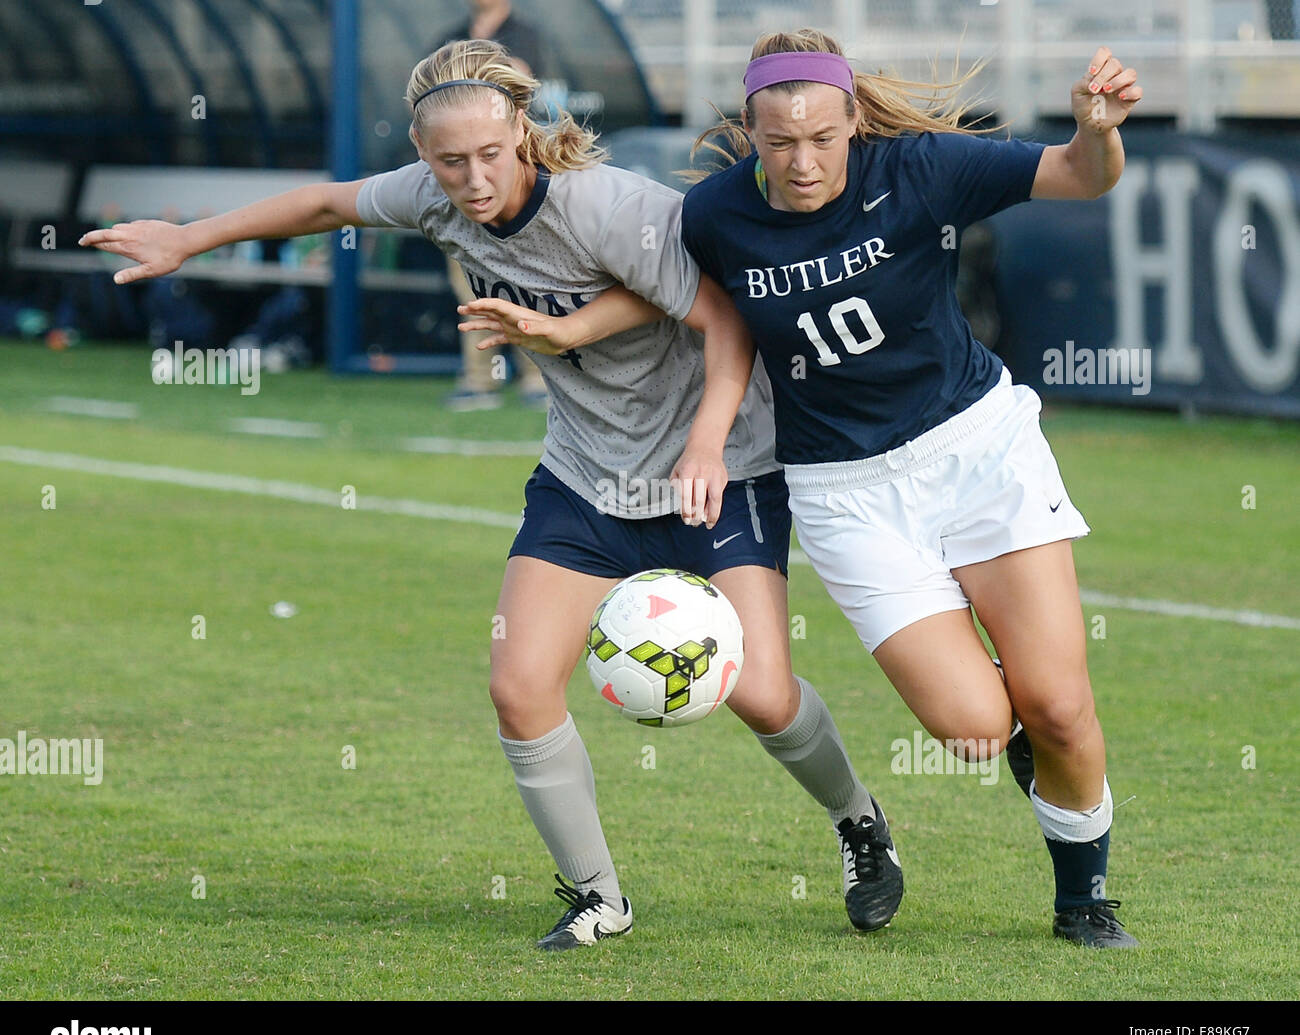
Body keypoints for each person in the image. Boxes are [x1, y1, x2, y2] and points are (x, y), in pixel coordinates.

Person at [79, 38, 903, 950]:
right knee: (518, 688)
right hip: (586, 476)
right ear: (424, 157)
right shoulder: (432, 195)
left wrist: (673, 418)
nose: (471, 179)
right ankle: (599, 897)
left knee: (761, 695)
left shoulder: (608, 204)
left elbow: (719, 312)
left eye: (488, 155)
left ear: (524, 130)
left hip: (716, 469)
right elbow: (322, 200)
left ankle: (859, 821)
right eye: (447, 161)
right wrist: (187, 238)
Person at [671, 29, 1143, 948]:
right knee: (974, 726)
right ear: (750, 133)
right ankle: (1011, 746)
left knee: (1057, 706)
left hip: (977, 450)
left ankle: (1083, 899)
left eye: (821, 138)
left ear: (854, 119)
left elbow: (1083, 176)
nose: (802, 162)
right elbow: (720, 323)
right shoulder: (714, 217)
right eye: (778, 143)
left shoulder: (922, 169)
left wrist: (1099, 131)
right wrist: (702, 438)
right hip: (845, 492)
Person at [431, 0, 550, 410]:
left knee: (524, 282)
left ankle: (536, 379)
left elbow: (516, 81)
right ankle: (479, 381)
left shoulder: (523, 33)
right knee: (467, 285)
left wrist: (465, 75)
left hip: (513, 181)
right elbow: (433, 103)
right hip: (465, 191)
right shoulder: (449, 36)